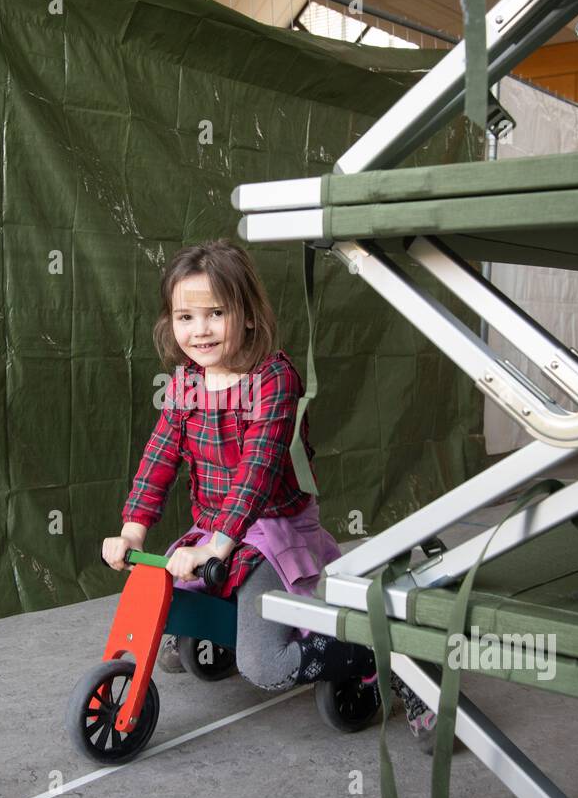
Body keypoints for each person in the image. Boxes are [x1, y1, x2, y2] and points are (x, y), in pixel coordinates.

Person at [101, 239, 375, 692]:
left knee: (265, 666)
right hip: (217, 531)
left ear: (247, 314)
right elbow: (159, 458)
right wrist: (133, 529)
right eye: (186, 317)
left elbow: (256, 475)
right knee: (166, 598)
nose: (200, 331)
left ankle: (362, 651)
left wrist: (216, 549)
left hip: (272, 532)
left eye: (216, 313)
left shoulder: (274, 379)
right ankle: (228, 624)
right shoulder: (186, 382)